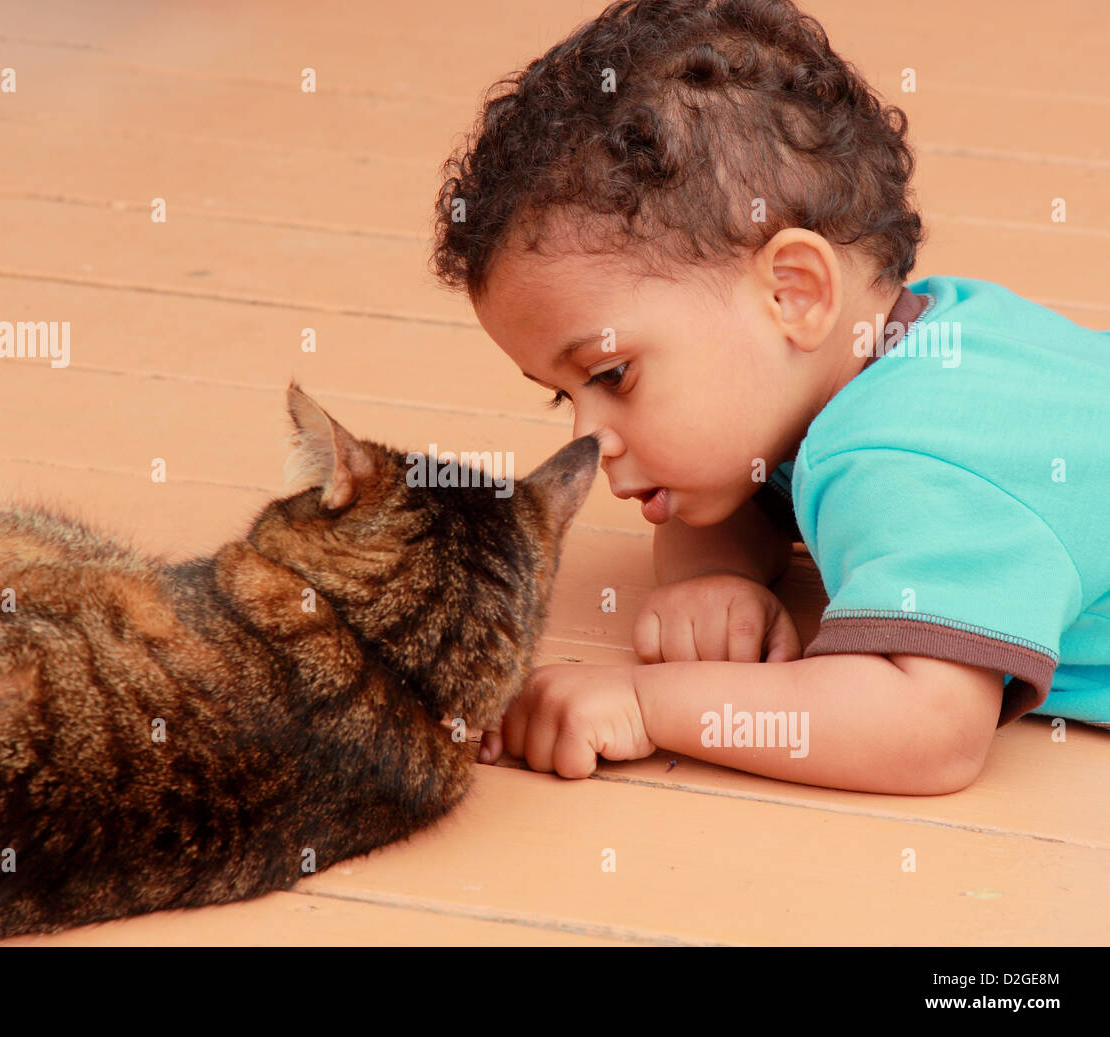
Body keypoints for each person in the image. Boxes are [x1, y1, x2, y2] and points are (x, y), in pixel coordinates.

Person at [427, 0, 1110, 794]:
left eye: (613, 376)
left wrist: (648, 701)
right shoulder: (900, 344)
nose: (589, 439)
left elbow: (926, 728)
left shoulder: (906, 455)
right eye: (564, 397)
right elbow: (745, 487)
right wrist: (712, 577)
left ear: (793, 292)